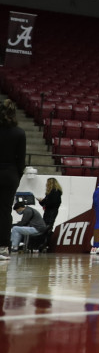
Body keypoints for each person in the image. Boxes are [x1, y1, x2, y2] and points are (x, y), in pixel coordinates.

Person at [0, 99, 25, 260]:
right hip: (10, 175)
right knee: (4, 212)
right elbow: (21, 161)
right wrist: (17, 177)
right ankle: (3, 248)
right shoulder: (19, 132)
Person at [39, 177, 62, 249]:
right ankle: (44, 243)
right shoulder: (52, 192)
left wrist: (44, 201)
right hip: (49, 211)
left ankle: (45, 243)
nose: (46, 184)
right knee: (46, 226)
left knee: (48, 226)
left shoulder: (55, 192)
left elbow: (51, 203)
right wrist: (42, 201)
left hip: (51, 211)